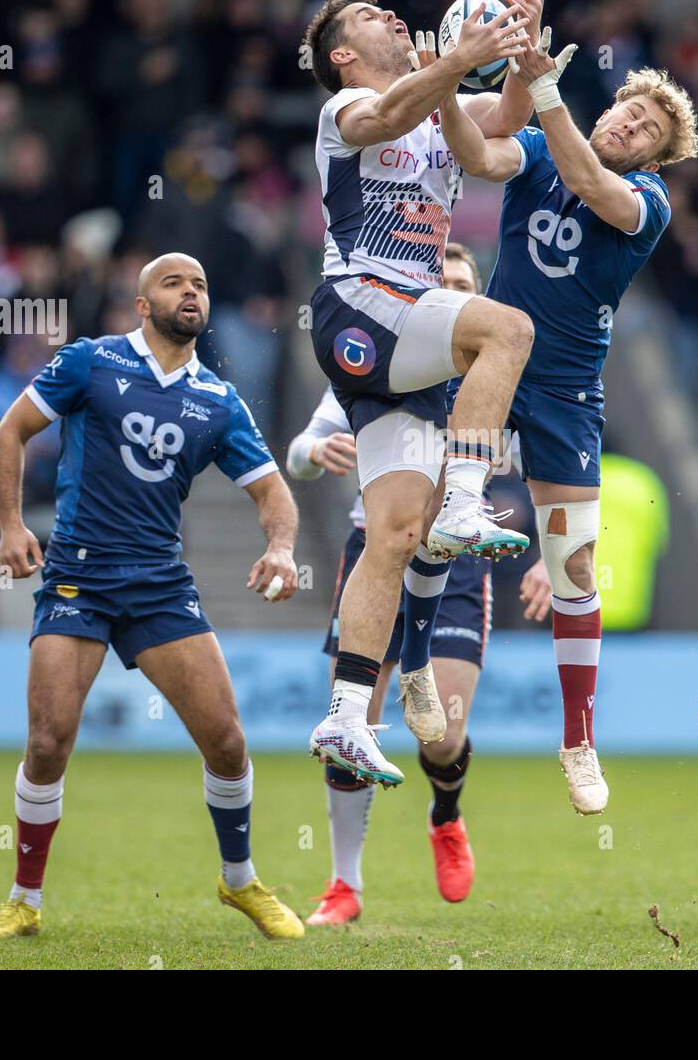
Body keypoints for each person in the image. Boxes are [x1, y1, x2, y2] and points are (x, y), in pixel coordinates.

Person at [0, 252, 305, 940]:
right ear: (142, 303)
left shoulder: (218, 399)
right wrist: (10, 525)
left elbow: (273, 491)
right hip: (78, 576)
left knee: (227, 741)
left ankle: (239, 881)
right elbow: (12, 431)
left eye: (202, 283)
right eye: (174, 282)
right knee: (47, 740)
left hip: (159, 582)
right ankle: (23, 900)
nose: (192, 291)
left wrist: (279, 547)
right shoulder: (90, 363)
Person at [435, 13, 698, 813]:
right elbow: (478, 155)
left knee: (574, 567)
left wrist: (542, 83)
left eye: (646, 125)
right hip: (489, 364)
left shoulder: (647, 202)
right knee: (424, 519)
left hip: (566, 393)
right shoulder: (545, 146)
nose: (628, 120)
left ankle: (579, 739)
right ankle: (413, 672)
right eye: (627, 107)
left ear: (656, 154)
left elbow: (592, 186)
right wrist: (448, 81)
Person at [300, 0, 544, 789]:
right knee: (506, 328)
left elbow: (506, 120)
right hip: (364, 306)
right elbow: (387, 116)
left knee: (394, 534)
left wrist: (515, 54)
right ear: (342, 55)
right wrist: (454, 68)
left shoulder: (441, 104)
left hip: (395, 342)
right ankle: (469, 499)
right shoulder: (343, 112)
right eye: (370, 17)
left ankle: (343, 718)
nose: (393, 17)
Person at [288, 242, 552, 923]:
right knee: (356, 717)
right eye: (446, 284)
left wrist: (556, 558)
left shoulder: (500, 376)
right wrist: (316, 451)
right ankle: (344, 883)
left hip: (457, 561)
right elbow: (297, 453)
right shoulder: (385, 357)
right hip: (372, 549)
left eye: (467, 286)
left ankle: (446, 814)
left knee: (441, 735)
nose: (456, 296)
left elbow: (556, 480)